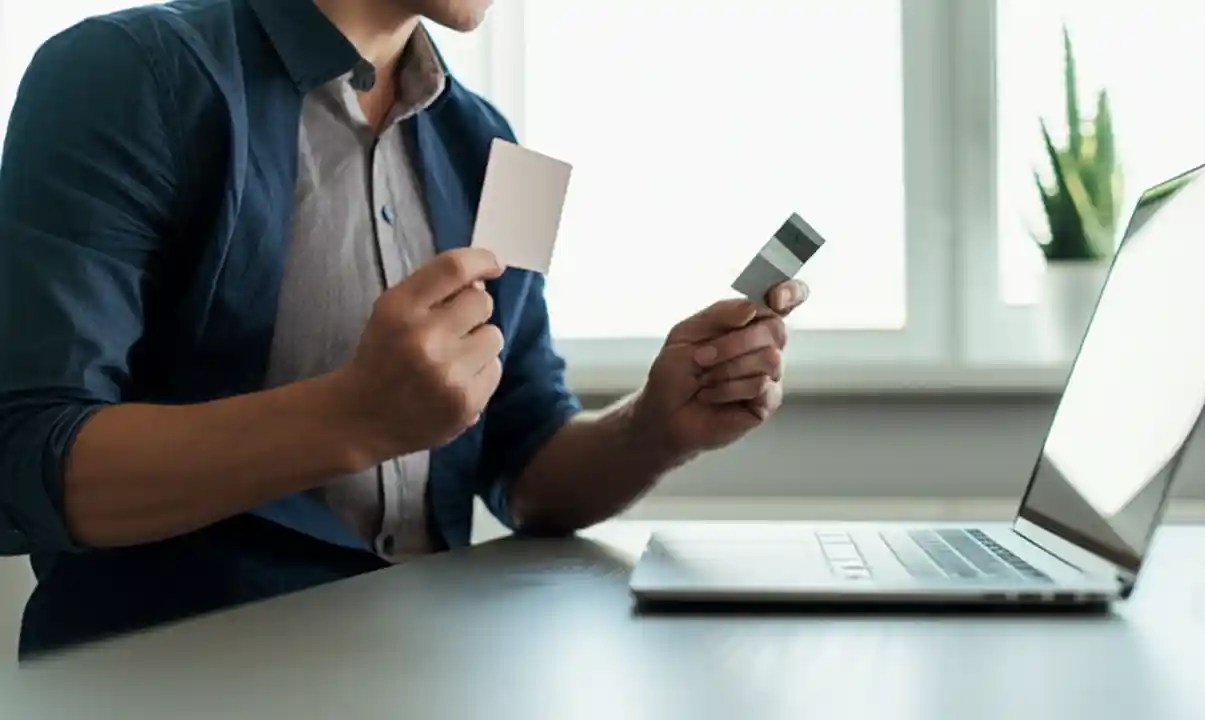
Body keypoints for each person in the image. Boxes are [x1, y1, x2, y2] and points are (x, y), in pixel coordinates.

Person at [0, 0, 807, 659]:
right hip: (175, 678)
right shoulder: (119, 73)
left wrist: (654, 427)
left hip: (432, 667)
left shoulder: (504, 154)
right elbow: (24, 456)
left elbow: (525, 464)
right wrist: (351, 418)